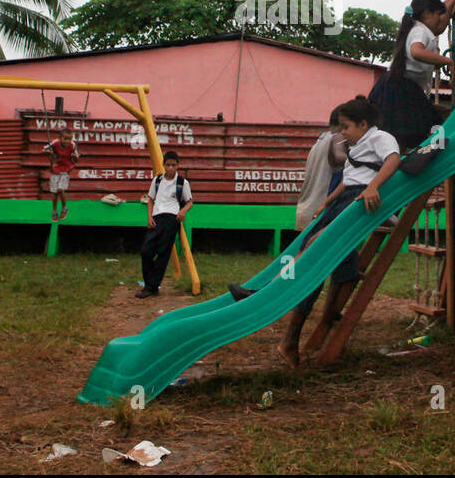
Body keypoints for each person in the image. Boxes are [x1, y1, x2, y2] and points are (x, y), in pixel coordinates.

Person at [229, 95, 400, 367]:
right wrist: (327, 201)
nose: (341, 132)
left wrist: (373, 187)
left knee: (314, 250)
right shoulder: (356, 146)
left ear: (363, 123)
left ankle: (267, 292)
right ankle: (311, 323)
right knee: (332, 263)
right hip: (343, 201)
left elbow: (393, 160)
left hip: (358, 204)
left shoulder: (380, 138)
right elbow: (348, 179)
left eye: (345, 126)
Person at [369, 0, 455, 150]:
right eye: (438, 14)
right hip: (402, 89)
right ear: (426, 14)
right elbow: (416, 52)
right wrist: (448, 61)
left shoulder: (417, 27)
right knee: (433, 127)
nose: (441, 19)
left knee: (399, 133)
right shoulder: (420, 31)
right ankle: (426, 162)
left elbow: (439, 26)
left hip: (395, 86)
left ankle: (410, 159)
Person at [138, 151, 193, 298]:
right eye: (168, 165)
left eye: (173, 165)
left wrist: (183, 212)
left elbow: (190, 201)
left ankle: (152, 287)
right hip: (156, 218)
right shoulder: (157, 181)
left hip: (171, 219)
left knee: (163, 253)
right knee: (146, 251)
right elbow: (150, 199)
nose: (170, 168)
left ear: (178, 166)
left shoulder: (182, 183)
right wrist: (149, 217)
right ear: (163, 165)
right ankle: (149, 283)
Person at [296, 105, 349, 231]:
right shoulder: (338, 137)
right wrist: (363, 161)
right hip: (323, 210)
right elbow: (339, 156)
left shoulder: (321, 139)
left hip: (307, 208)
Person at [43, 129, 80, 222]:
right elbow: (44, 149)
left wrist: (75, 157)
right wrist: (48, 152)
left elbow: (76, 159)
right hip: (55, 169)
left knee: (61, 189)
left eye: (70, 139)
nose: (67, 141)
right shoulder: (55, 143)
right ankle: (54, 211)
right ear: (60, 138)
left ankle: (64, 208)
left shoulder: (73, 146)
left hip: (66, 169)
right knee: (55, 193)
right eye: (65, 138)